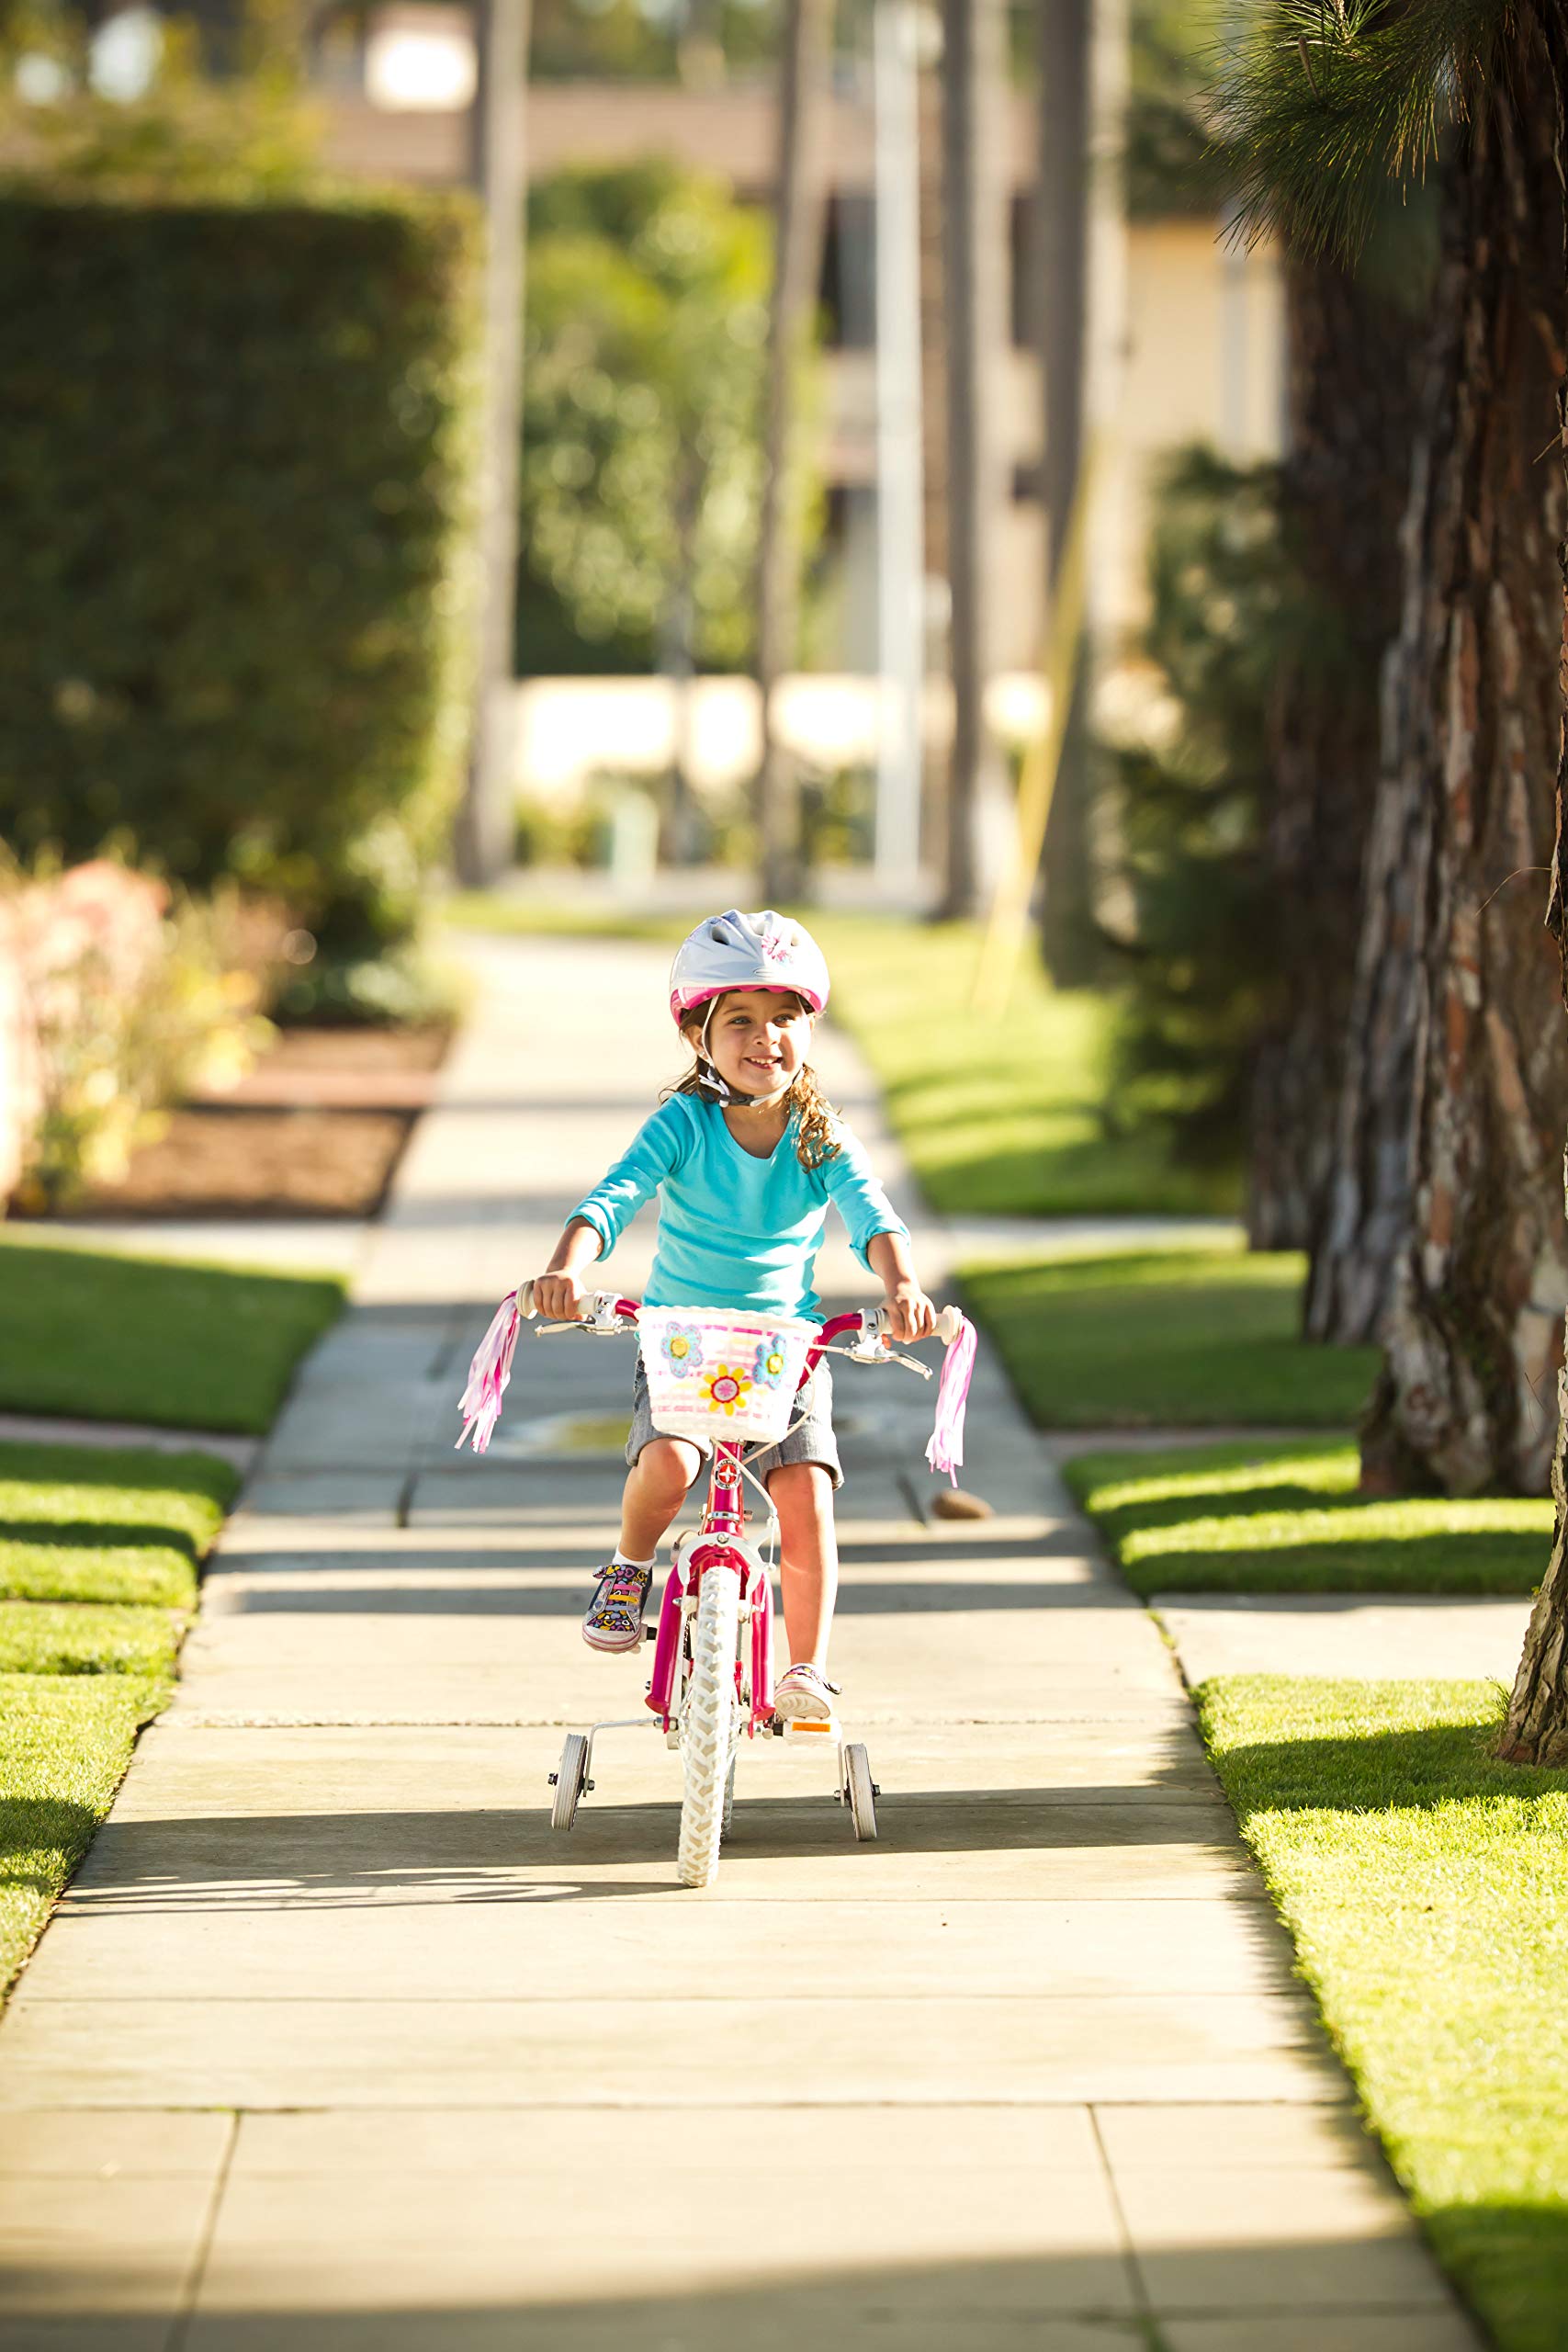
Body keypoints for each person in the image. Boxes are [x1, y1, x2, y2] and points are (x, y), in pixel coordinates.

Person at [529, 909, 937, 1723]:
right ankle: (627, 1568)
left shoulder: (820, 1135)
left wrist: (901, 1287)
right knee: (671, 1467)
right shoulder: (682, 1124)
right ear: (698, 1036)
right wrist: (565, 1270)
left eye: (785, 1017)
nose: (766, 1038)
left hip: (788, 1351)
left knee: (805, 1495)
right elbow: (614, 1197)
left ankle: (806, 1671)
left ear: (808, 1027)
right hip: (684, 1342)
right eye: (740, 1020)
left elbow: (870, 1216)